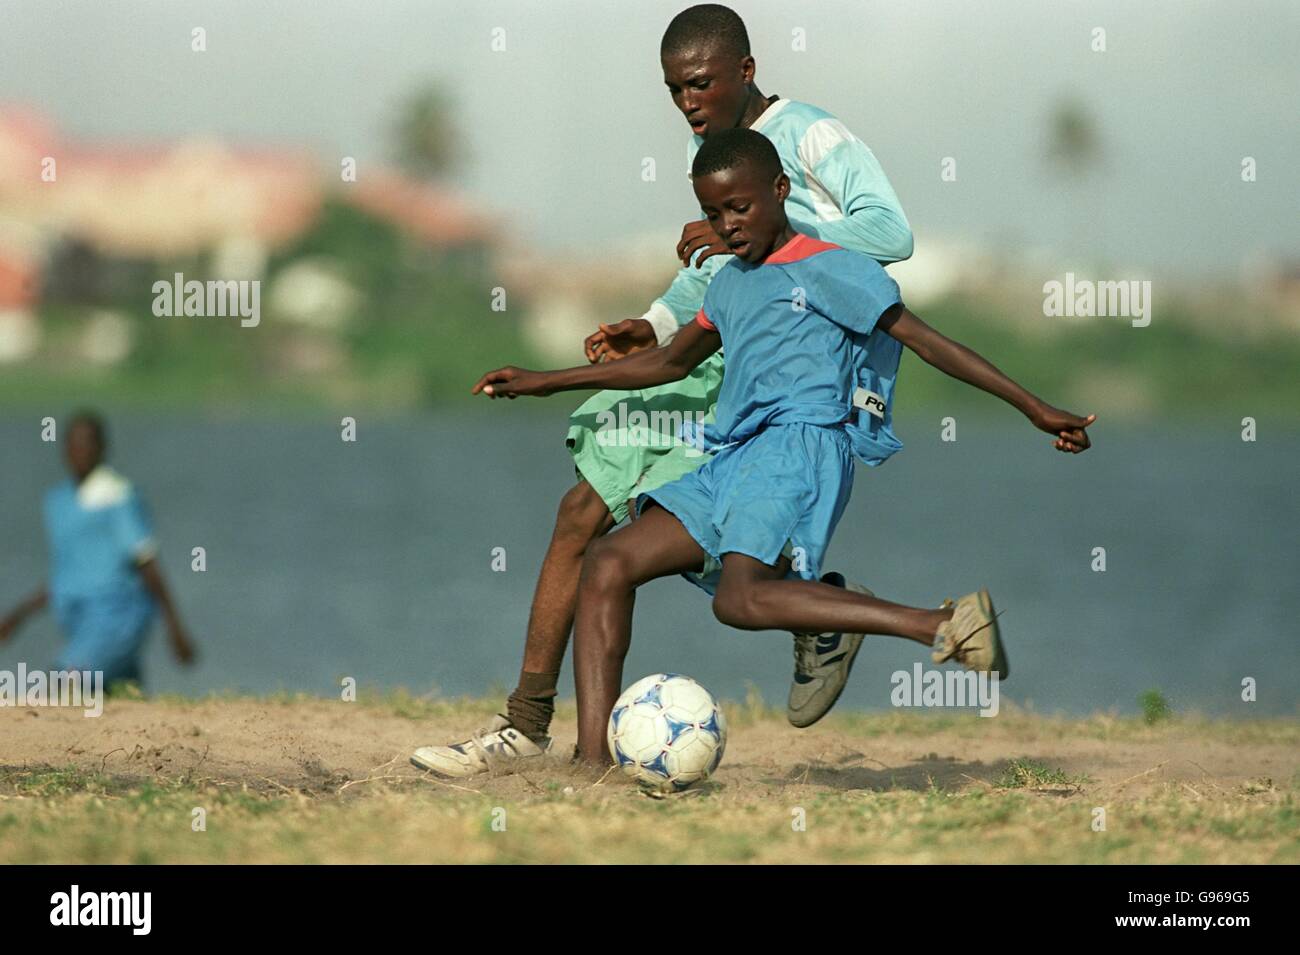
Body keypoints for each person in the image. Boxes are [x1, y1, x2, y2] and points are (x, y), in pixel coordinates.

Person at [468, 127, 1096, 763]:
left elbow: (933, 343)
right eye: (714, 213)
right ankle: (592, 765)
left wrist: (1035, 407)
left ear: (779, 190)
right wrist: (543, 381)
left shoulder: (833, 269)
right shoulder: (729, 284)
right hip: (732, 455)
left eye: (739, 208)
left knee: (739, 599)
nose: (729, 225)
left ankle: (942, 625)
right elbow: (665, 365)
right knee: (607, 563)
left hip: (800, 449)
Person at [413, 3, 914, 776]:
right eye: (675, 89)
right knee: (586, 507)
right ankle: (526, 723)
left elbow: (889, 233)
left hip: (786, 368)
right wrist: (653, 322)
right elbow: (717, 271)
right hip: (709, 353)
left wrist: (776, 228)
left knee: (685, 542)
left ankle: (818, 608)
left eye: (700, 84)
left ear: (746, 71)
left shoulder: (813, 134)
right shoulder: (709, 144)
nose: (687, 102)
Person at [0, 411, 196, 688]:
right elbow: (68, 575)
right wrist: (18, 615)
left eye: (88, 443)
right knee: (122, 699)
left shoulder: (117, 496)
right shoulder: (59, 501)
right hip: (78, 622)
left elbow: (147, 563)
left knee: (65, 680)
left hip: (118, 618)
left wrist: (175, 628)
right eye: (74, 443)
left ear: (103, 448)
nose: (80, 451)